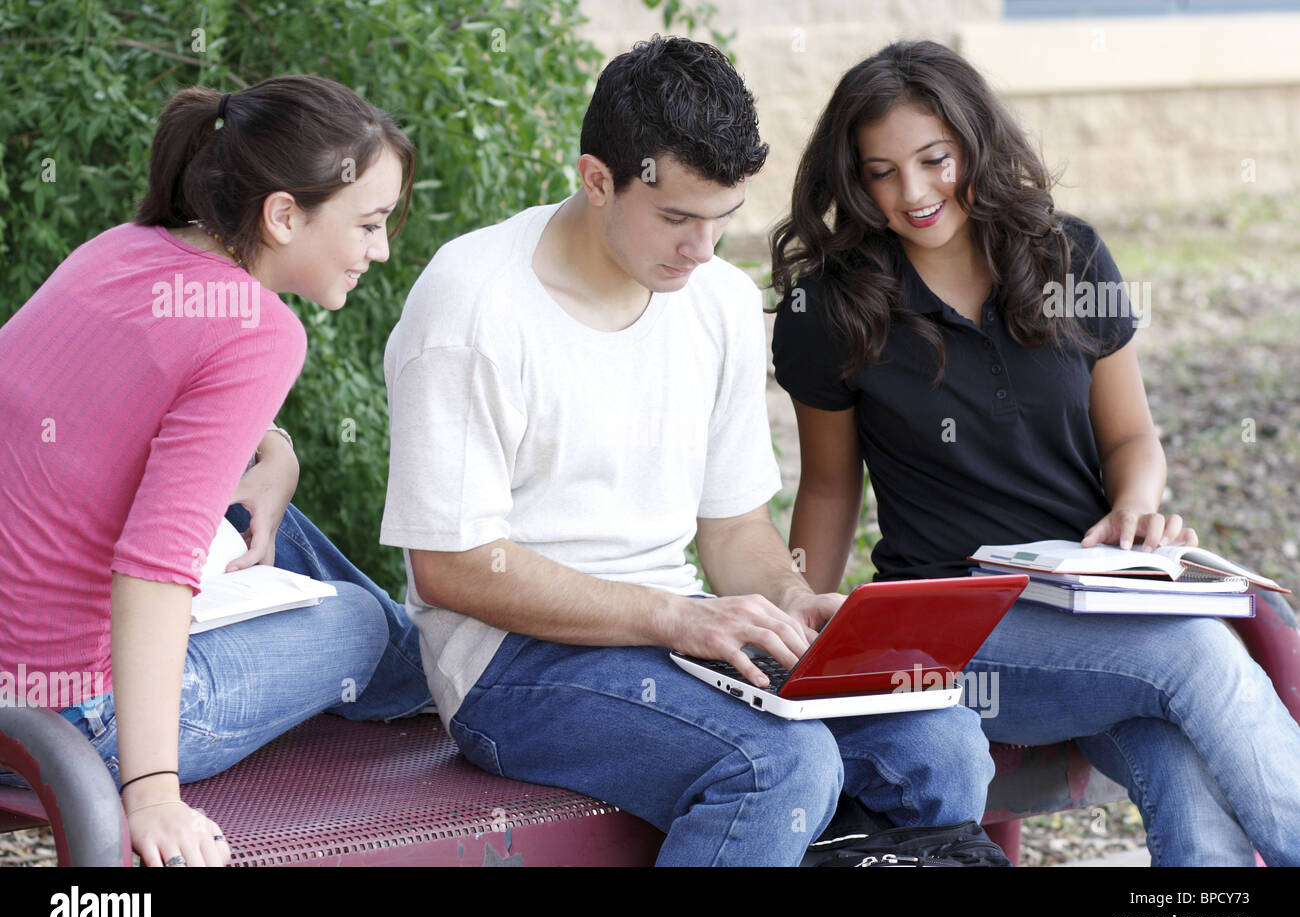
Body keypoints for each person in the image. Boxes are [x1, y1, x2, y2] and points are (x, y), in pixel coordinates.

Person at [380, 35, 996, 867]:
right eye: (675, 218)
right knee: (777, 763)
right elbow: (451, 567)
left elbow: (734, 530)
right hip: (509, 668)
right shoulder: (473, 302)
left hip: (679, 636)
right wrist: (679, 615)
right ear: (597, 180)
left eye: (721, 220)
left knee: (945, 744)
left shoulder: (718, 301)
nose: (702, 250)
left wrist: (787, 602)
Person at [770, 39, 1300, 865]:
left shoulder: (1068, 256)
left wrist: (1136, 505)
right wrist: (797, 616)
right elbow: (831, 487)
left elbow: (1131, 437)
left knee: (1185, 767)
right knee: (1196, 655)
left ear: (976, 142)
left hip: (1100, 607)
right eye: (879, 171)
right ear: (853, 178)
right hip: (957, 629)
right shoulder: (835, 307)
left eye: (934, 159)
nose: (911, 192)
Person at [0, 75, 430, 867]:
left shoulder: (121, 250)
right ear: (283, 215)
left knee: (263, 518)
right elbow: (153, 570)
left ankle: (425, 672)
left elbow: (128, 414)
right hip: (68, 721)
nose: (382, 249)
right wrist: (152, 796)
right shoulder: (260, 330)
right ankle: (435, 679)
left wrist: (278, 453)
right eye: (369, 224)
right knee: (362, 624)